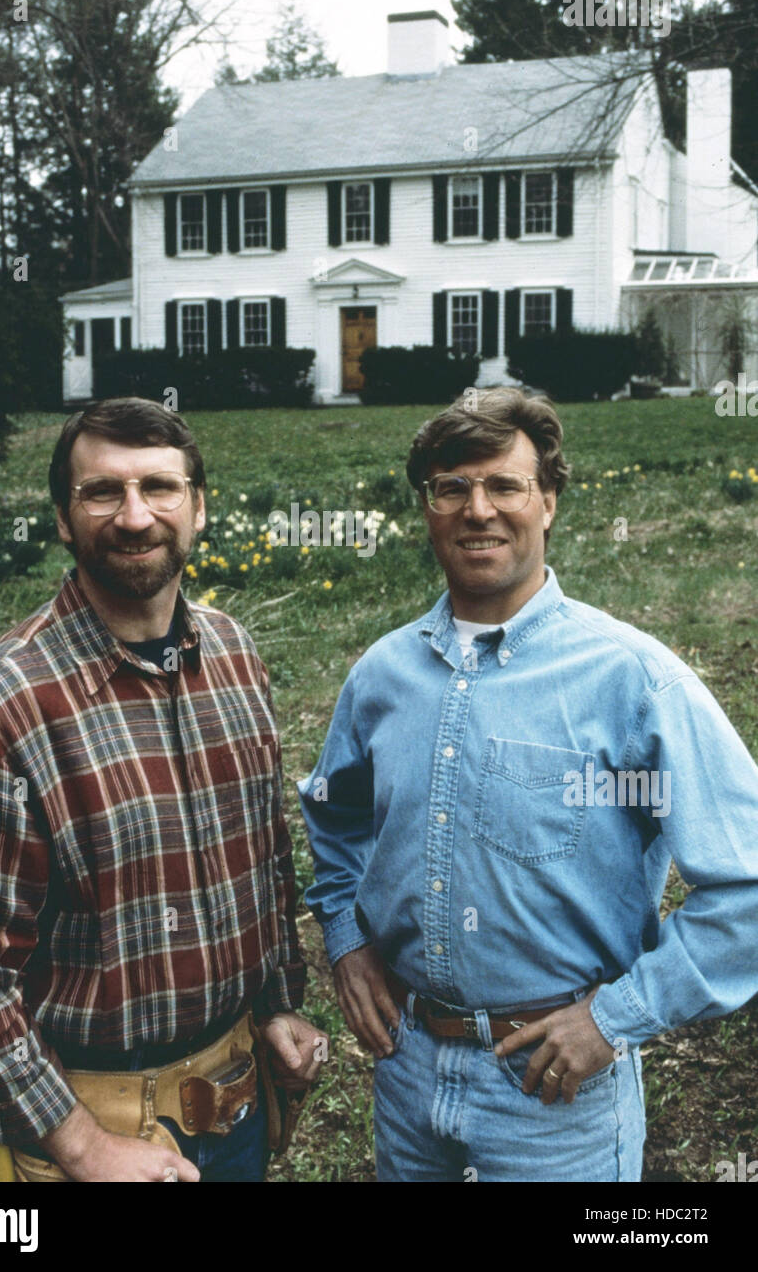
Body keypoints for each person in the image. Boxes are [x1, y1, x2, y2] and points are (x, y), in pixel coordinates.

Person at [299, 386, 758, 1183]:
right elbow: (332, 816)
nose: (477, 509)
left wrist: (616, 1020)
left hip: (557, 1094)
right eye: (452, 488)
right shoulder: (382, 676)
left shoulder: (632, 681)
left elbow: (748, 886)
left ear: (547, 501)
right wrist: (346, 937)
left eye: (503, 485)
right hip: (406, 1071)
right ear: (427, 508)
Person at [0, 396, 324, 1183]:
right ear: (63, 519)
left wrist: (276, 1007)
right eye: (103, 492)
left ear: (198, 508)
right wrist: (80, 1143)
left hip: (230, 1101)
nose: (135, 517)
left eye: (159, 488)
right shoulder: (2, 707)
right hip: (79, 1134)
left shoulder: (234, 655)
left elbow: (262, 862)